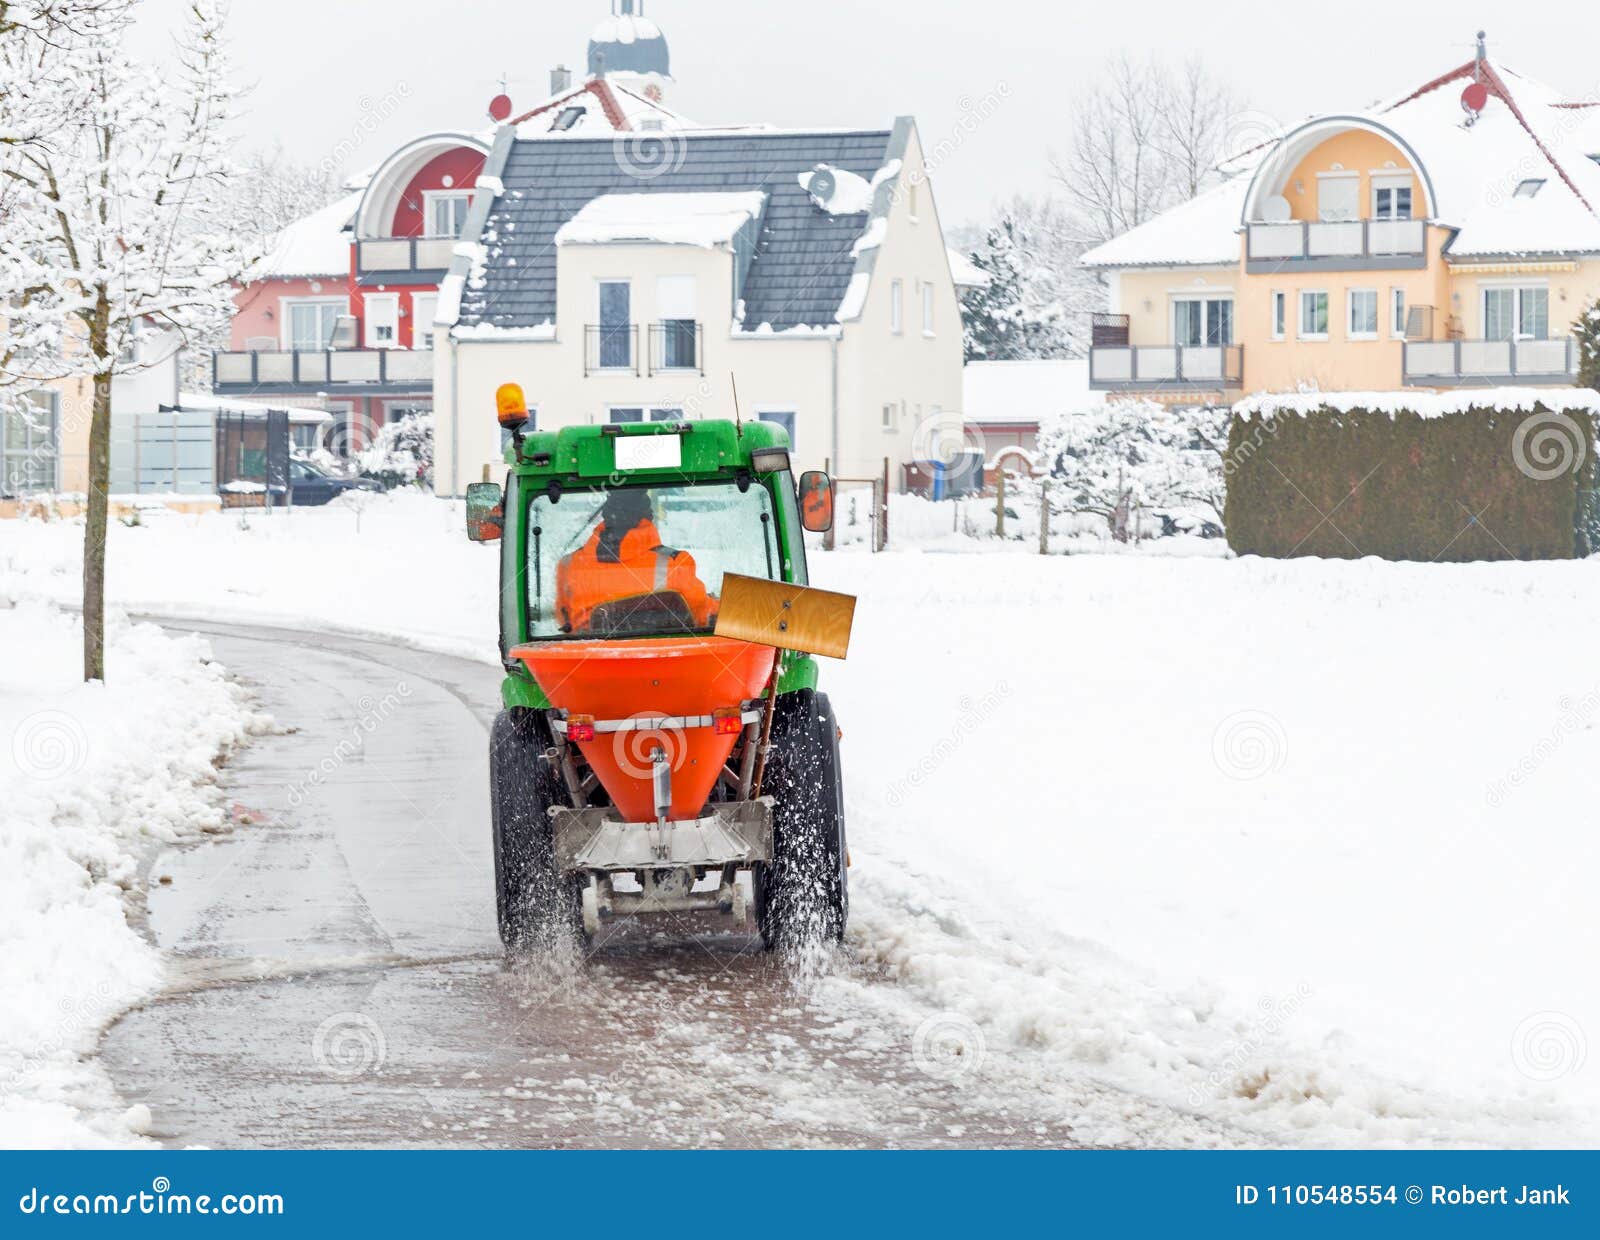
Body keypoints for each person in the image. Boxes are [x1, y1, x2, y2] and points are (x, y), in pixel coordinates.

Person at [555, 488, 715, 634]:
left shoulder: (568, 565)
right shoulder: (675, 563)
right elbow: (702, 616)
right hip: (664, 661)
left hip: (592, 662)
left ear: (606, 517)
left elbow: (565, 620)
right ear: (647, 518)